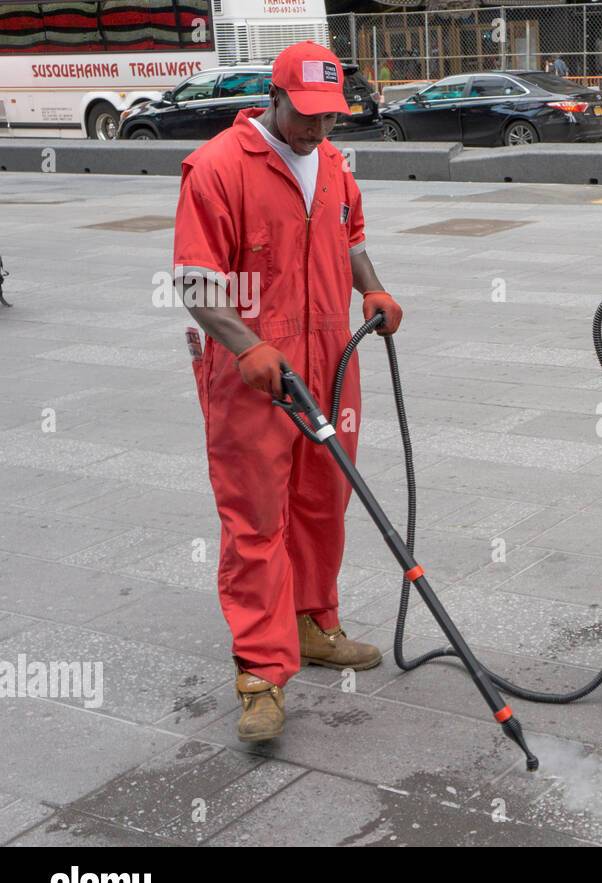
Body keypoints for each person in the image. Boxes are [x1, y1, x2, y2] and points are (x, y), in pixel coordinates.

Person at [172, 41, 404, 743]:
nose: (318, 131)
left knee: (323, 500)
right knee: (256, 519)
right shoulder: (217, 168)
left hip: (331, 358)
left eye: (330, 118)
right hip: (253, 373)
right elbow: (193, 280)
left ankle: (311, 624)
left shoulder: (333, 163)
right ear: (273, 98)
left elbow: (350, 232)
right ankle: (260, 674)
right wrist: (247, 346)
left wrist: (373, 287)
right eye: (306, 116)